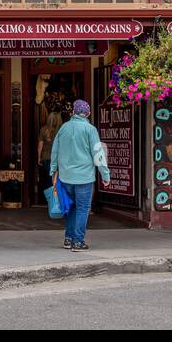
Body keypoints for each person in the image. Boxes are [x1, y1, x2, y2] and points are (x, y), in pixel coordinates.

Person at [50, 99, 109, 250]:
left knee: (71, 207)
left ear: (73, 112)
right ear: (88, 113)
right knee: (83, 208)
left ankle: (68, 239)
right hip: (84, 178)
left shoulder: (64, 128)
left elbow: (55, 150)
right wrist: (105, 174)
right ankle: (78, 241)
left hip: (65, 177)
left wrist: (53, 170)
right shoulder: (90, 129)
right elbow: (98, 154)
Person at [37, 110, 62, 203]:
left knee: (48, 180)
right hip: (59, 158)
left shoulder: (43, 130)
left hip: (46, 157)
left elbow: (40, 146)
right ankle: (58, 200)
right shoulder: (61, 130)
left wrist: (39, 158)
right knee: (58, 180)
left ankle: (50, 201)